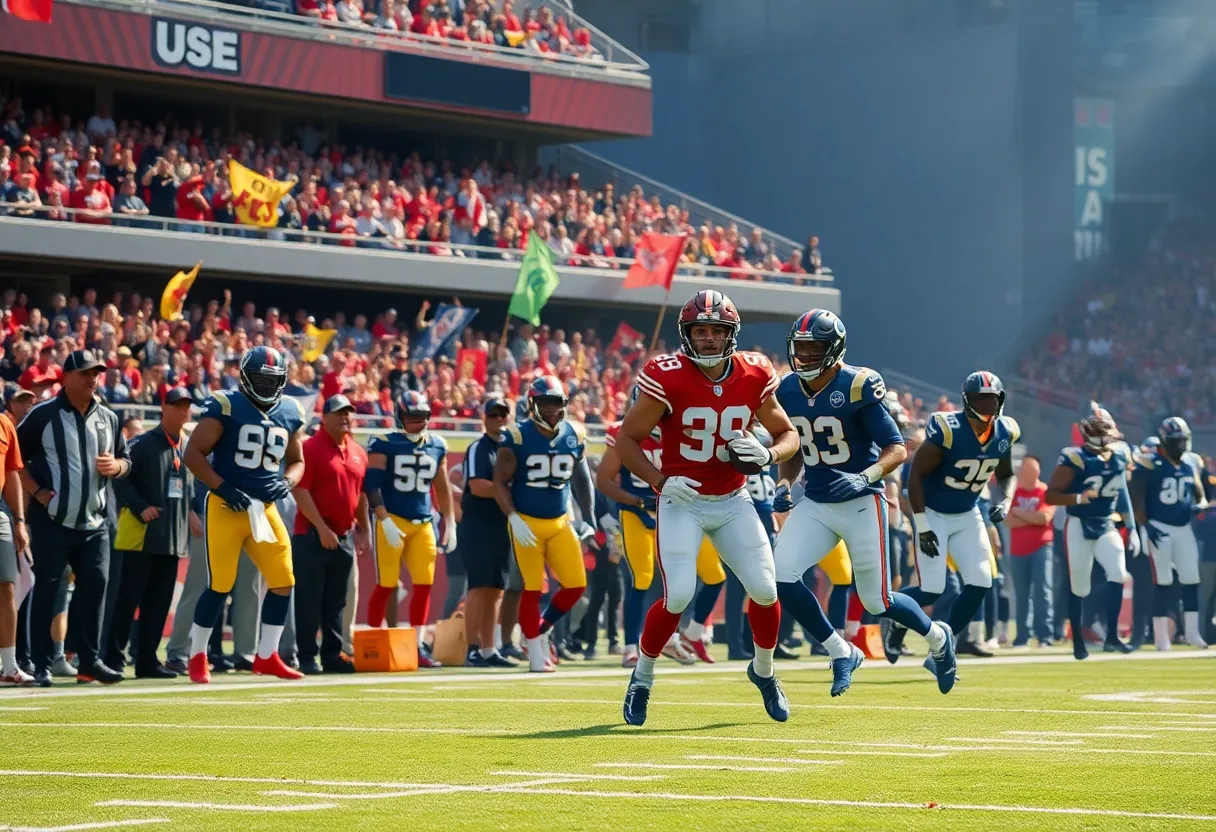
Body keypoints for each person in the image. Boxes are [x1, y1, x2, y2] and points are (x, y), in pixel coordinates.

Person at [617, 290, 799, 724]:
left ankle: (764, 672)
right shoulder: (667, 376)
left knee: (765, 589)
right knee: (678, 593)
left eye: (717, 330)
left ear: (730, 334)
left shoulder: (754, 372)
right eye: (701, 330)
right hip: (683, 499)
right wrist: (660, 479)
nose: (709, 338)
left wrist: (768, 457)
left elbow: (788, 435)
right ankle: (642, 676)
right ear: (687, 334)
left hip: (734, 497)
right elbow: (627, 441)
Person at [770, 309, 956, 698]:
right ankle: (842, 651)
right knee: (780, 577)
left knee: (877, 598)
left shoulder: (857, 385)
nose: (803, 356)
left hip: (859, 501)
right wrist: (785, 483)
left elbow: (896, 448)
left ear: (833, 350)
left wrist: (865, 476)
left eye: (812, 348)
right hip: (817, 501)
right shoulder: (786, 390)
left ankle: (939, 638)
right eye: (799, 348)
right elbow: (794, 449)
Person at [182, 346, 307, 684]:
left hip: (265, 509)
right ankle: (197, 656)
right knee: (219, 584)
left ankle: (267, 655)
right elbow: (193, 453)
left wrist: (288, 480)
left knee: (283, 581)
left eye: (273, 380)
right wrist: (223, 488)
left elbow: (297, 460)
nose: (267, 386)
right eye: (261, 379)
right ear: (246, 378)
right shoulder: (226, 405)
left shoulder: (291, 411)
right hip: (226, 506)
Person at [17, 350, 131, 686]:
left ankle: (89, 662)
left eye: (96, 373)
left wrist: (118, 467)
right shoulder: (42, 416)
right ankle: (40, 664)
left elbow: (126, 459)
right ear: (65, 377)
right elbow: (13, 457)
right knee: (47, 590)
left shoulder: (109, 417)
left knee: (95, 588)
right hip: (52, 520)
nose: (92, 379)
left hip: (95, 522)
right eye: (84, 373)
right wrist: (37, 493)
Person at [899, 372, 1018, 666]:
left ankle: (945, 646)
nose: (988, 405)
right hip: (935, 512)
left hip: (967, 512)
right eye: (981, 399)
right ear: (967, 401)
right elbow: (915, 477)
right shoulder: (949, 429)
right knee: (932, 588)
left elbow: (1006, 475)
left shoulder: (1005, 431)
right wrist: (922, 525)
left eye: (993, 399)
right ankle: (893, 614)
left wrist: (1005, 500)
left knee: (981, 581)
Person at [595, 385, 716, 668]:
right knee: (642, 578)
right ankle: (630, 646)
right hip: (637, 513)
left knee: (683, 579)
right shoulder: (623, 433)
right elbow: (604, 480)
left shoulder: (686, 432)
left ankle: (672, 637)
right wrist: (637, 501)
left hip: (675, 512)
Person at [493, 376, 597, 673]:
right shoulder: (516, 435)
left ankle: (538, 630)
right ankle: (536, 650)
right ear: (533, 403)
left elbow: (582, 478)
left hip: (559, 520)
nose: (551, 410)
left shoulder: (574, 433)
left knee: (576, 585)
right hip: (526, 521)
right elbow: (499, 482)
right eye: (545, 403)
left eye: (556, 403)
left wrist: (588, 519)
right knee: (532, 587)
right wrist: (513, 517)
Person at [106, 388, 195, 678]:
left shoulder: (188, 446)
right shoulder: (142, 444)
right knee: (127, 601)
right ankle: (113, 658)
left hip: (172, 540)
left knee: (157, 606)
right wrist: (140, 507)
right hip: (141, 538)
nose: (184, 411)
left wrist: (192, 514)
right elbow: (119, 480)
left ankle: (147, 661)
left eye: (187, 407)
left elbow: (188, 490)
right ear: (164, 408)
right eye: (177, 406)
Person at [363, 390, 455, 668]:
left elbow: (441, 485)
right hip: (392, 519)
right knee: (386, 584)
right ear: (399, 416)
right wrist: (383, 518)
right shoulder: (384, 443)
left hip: (423, 522)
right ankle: (371, 642)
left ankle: (416, 647)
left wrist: (449, 520)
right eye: (411, 417)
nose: (417, 423)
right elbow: (372, 484)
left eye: (421, 417)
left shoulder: (437, 444)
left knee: (424, 584)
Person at [1044, 403, 1138, 660]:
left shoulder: (1120, 454)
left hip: (1107, 522)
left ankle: (1112, 637)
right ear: (1087, 432)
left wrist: (1131, 526)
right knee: (1080, 586)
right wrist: (1078, 498)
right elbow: (1050, 495)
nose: (1105, 435)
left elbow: (1121, 492)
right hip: (1079, 523)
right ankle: (1077, 640)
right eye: (1099, 429)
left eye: (1106, 429)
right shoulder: (1074, 457)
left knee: (1119, 574)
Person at [291, 394, 370, 674]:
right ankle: (307, 656)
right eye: (338, 412)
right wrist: (322, 528)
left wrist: (364, 529)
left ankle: (332, 654)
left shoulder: (359, 451)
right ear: (323, 417)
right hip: (312, 534)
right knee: (309, 599)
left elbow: (360, 495)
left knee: (337, 601)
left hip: (345, 534)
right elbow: (300, 490)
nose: (344, 417)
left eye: (348, 412)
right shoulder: (310, 448)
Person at [1132, 416, 1208, 650]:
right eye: (1176, 440)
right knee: (1162, 581)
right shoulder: (1149, 463)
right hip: (1160, 527)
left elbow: (1199, 493)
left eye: (1183, 440)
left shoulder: (1190, 463)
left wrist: (1201, 504)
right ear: (1164, 441)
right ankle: (1161, 637)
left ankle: (1193, 633)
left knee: (1191, 579)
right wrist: (1146, 525)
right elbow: (1136, 499)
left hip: (1184, 527)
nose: (1181, 445)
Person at [458, 397, 518, 668]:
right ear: (484, 418)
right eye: (493, 414)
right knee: (479, 586)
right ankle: (471, 648)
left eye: (503, 414)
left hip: (501, 524)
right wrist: (508, 491)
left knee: (496, 589)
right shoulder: (479, 449)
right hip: (478, 523)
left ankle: (488, 648)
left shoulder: (511, 448)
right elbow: (476, 485)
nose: (499, 419)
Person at [1005, 455, 1055, 647]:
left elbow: (1044, 518)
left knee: (1043, 591)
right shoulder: (1013, 493)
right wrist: (1030, 517)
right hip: (1018, 550)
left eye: (1031, 469)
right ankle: (1022, 636)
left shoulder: (1044, 491)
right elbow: (1008, 521)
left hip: (1042, 547)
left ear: (1037, 471)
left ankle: (1045, 635)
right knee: (1021, 593)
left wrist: (1018, 513)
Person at [0, 385, 31, 685]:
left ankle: (8, 666)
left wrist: (19, 520)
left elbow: (12, 474)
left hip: (0, 514)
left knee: (6, 587)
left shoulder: (5, 424)